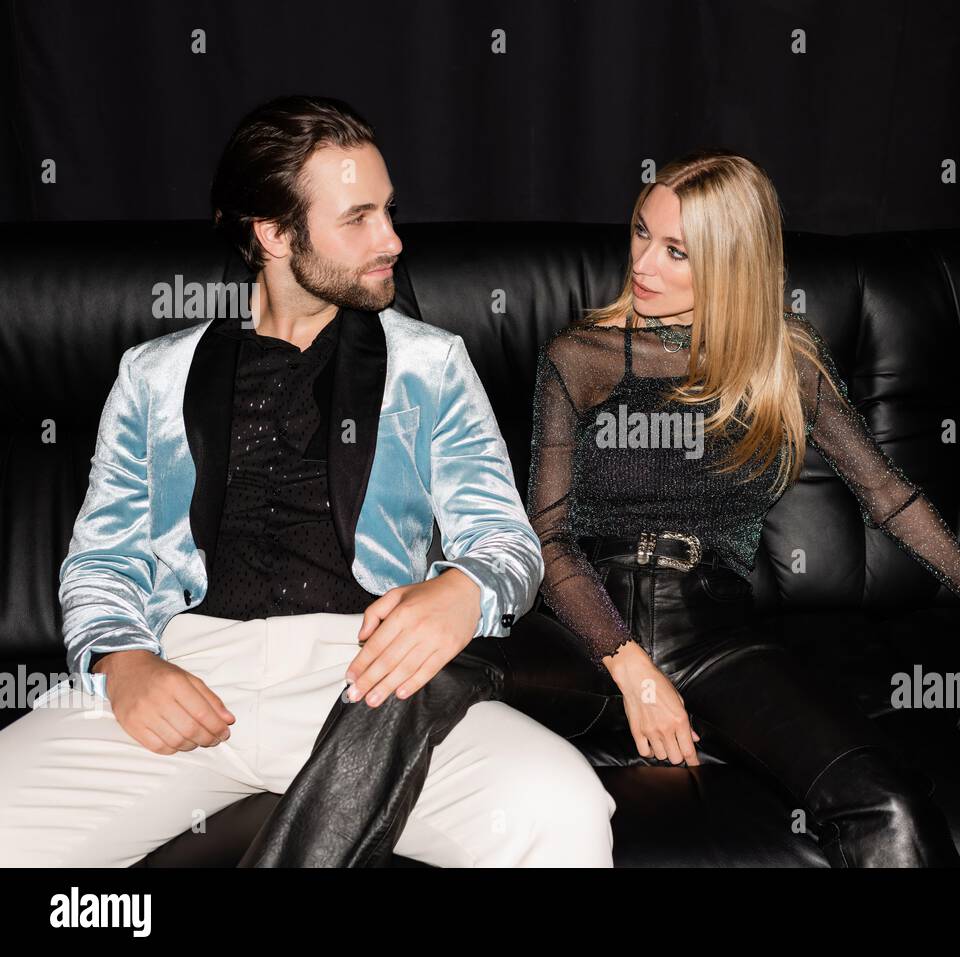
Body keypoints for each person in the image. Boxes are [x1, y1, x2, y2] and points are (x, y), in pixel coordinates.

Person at [0, 95, 615, 868]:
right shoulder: (153, 375)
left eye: (389, 211)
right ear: (274, 234)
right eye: (358, 218)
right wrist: (121, 661)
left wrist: (461, 589)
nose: (391, 238)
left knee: (562, 808)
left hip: (370, 680)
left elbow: (504, 540)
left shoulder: (432, 363)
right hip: (187, 670)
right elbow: (101, 561)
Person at [517, 148, 960, 866]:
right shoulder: (581, 355)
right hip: (578, 631)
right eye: (642, 233)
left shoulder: (786, 366)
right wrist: (631, 667)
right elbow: (545, 536)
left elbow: (889, 497)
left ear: (733, 262)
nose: (644, 263)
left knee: (885, 801)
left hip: (710, 636)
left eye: (678, 251)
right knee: (406, 678)